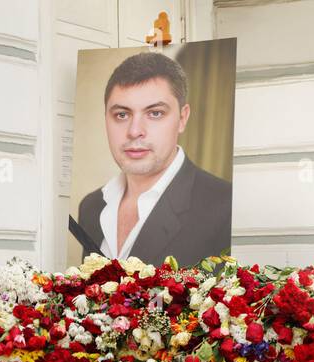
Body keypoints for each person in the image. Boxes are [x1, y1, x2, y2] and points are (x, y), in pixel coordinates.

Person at [74, 51, 232, 268]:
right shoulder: (91, 207)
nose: (135, 131)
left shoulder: (225, 207)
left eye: (155, 113)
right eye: (122, 114)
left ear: (182, 118)